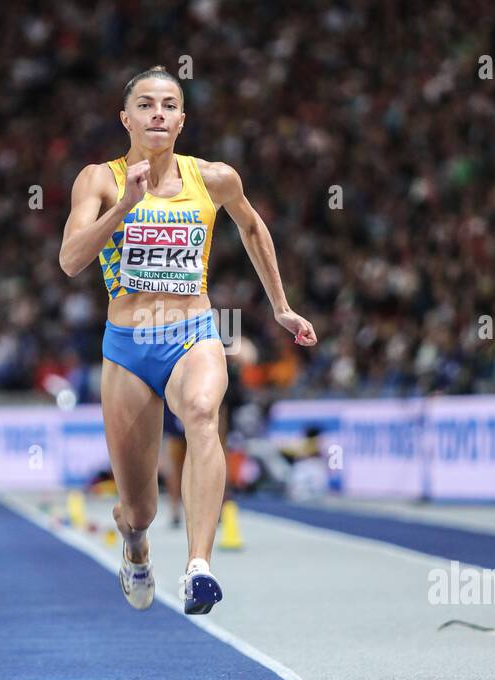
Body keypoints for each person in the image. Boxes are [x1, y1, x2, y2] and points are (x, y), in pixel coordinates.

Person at [59, 64, 316, 613]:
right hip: (127, 347)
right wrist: (126, 205)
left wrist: (281, 307)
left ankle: (199, 566)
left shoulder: (214, 178)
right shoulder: (98, 180)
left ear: (182, 119)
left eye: (169, 105)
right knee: (139, 508)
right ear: (125, 118)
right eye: (146, 104)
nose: (158, 113)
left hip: (193, 331)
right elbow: (71, 260)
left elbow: (251, 227)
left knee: (203, 413)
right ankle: (135, 546)